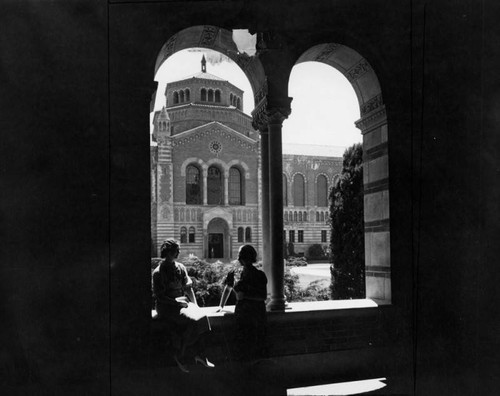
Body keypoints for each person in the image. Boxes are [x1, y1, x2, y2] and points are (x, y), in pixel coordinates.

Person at [152, 239, 214, 373]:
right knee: (192, 321)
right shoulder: (158, 272)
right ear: (168, 252)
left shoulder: (180, 267)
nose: (178, 253)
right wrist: (176, 302)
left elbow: (188, 288)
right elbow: (160, 297)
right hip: (166, 306)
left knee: (203, 317)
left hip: (182, 303)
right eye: (176, 251)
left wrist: (196, 306)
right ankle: (181, 354)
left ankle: (200, 354)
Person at [218, 244, 268, 361]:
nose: (240, 258)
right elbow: (229, 288)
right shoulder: (237, 273)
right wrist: (221, 306)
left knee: (250, 348)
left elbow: (262, 296)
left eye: (241, 256)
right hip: (245, 315)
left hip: (253, 316)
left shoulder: (259, 275)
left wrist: (245, 296)